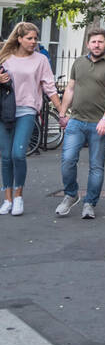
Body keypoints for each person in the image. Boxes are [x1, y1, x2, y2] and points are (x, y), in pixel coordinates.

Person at [56, 29, 105, 219]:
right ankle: (70, 195)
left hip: (98, 124)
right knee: (68, 160)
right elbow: (70, 89)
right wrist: (62, 112)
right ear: (88, 44)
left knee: (96, 166)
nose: (96, 45)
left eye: (100, 42)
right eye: (93, 41)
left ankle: (89, 203)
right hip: (76, 121)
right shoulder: (78, 63)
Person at [0, 22, 62, 216]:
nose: (33, 42)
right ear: (19, 39)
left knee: (18, 154)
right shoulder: (5, 57)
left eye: (35, 38)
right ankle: (7, 198)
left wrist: (61, 111)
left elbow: (49, 87)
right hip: (5, 111)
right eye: (29, 38)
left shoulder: (41, 60)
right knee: (6, 156)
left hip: (27, 109)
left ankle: (18, 196)